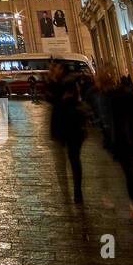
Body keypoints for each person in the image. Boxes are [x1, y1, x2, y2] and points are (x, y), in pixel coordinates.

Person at [98, 69, 133, 231]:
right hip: (121, 140)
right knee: (129, 174)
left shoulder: (117, 96)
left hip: (123, 140)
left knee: (129, 173)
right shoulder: (108, 96)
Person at [47, 61, 86, 204]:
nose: (54, 70)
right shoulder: (52, 83)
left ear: (62, 68)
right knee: (61, 162)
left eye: (56, 67)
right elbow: (51, 98)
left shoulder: (70, 82)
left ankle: (77, 190)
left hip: (72, 126)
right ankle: (65, 192)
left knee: (74, 159)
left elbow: (62, 100)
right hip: (59, 126)